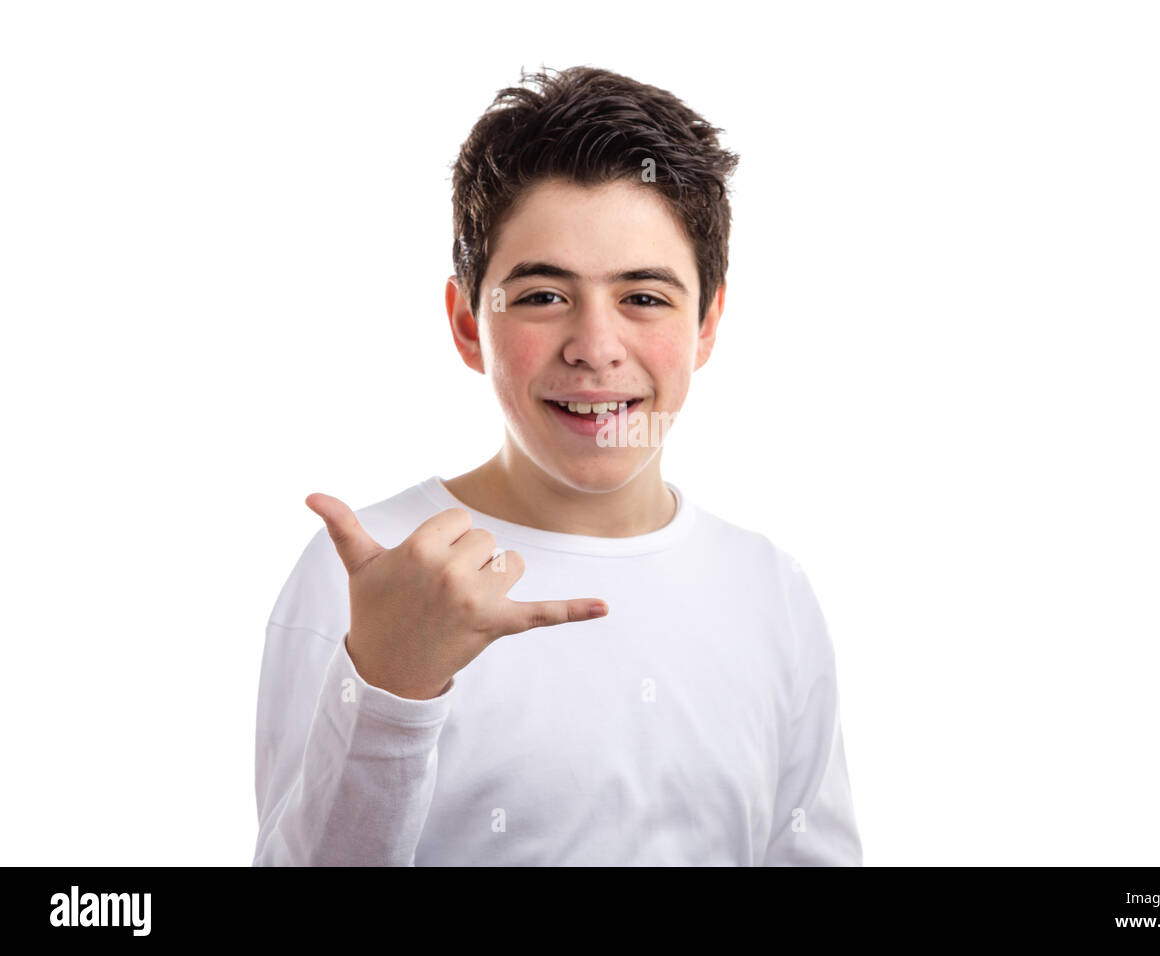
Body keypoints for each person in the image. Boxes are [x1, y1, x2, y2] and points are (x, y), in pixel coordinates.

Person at [253, 65, 862, 866]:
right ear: (469, 324)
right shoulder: (370, 571)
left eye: (644, 297)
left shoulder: (771, 589)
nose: (595, 347)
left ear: (708, 323)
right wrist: (392, 687)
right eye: (543, 295)